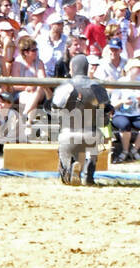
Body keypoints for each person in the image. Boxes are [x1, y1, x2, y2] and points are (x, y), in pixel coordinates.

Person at [53, 52, 110, 183]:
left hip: (68, 134)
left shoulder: (65, 87)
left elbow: (55, 107)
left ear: (72, 68)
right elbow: (107, 109)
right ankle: (89, 174)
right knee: (94, 142)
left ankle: (69, 169)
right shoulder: (96, 87)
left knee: (65, 153)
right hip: (92, 134)